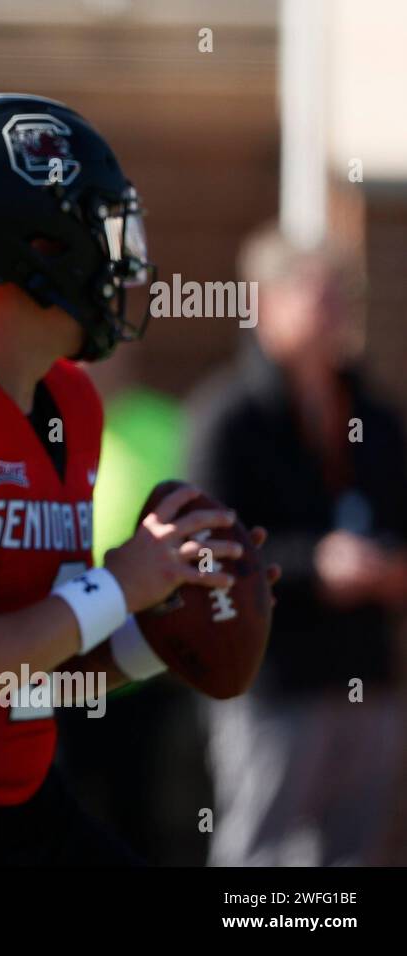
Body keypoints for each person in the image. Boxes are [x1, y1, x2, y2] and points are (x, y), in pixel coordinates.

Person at [0, 94, 277, 865]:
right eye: (100, 230)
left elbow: (32, 669)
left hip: (20, 795)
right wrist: (120, 587)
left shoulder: (67, 398)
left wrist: (164, 626)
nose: (121, 261)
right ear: (37, 246)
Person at [188, 225, 407, 866]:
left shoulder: (376, 414)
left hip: (366, 674)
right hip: (271, 680)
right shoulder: (226, 416)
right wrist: (316, 565)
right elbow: (206, 549)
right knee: (263, 858)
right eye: (322, 295)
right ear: (264, 302)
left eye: (347, 295)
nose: (340, 311)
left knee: (354, 857)